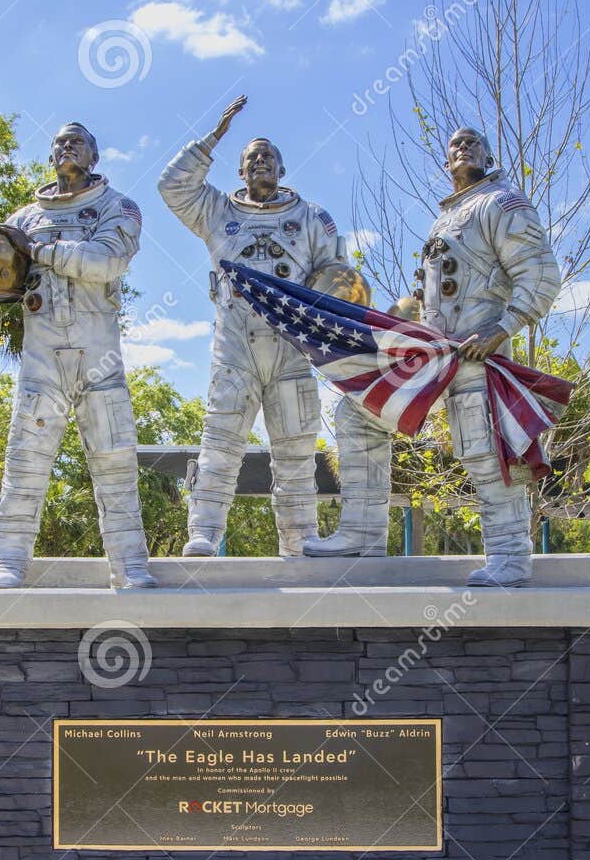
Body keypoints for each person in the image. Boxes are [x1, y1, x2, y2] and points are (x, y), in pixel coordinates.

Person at [306, 126, 561, 587]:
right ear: (446, 162)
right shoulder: (444, 220)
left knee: (486, 450)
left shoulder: (501, 203)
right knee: (357, 412)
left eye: (472, 143)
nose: (463, 149)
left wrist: (502, 327)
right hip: (433, 355)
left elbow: (540, 273)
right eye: (455, 145)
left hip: (477, 355)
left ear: (488, 156)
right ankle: (362, 533)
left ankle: (510, 557)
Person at [0, 122, 156, 590]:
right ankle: (8, 561)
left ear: (94, 156)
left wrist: (38, 249)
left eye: (77, 141)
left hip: (99, 361)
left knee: (115, 464)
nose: (66, 146)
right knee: (25, 464)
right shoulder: (23, 218)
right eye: (59, 141)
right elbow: (1, 277)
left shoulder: (116, 206)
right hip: (43, 361)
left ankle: (130, 566)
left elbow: (106, 261)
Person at [158, 95, 345, 557]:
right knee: (220, 443)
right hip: (235, 343)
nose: (260, 160)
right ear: (240, 171)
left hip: (291, 346)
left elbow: (337, 278)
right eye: (251, 157)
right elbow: (171, 186)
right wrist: (213, 138)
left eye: (268, 156)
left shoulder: (311, 217)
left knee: (296, 448)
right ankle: (204, 532)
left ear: (282, 168)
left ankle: (300, 541)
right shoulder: (218, 212)